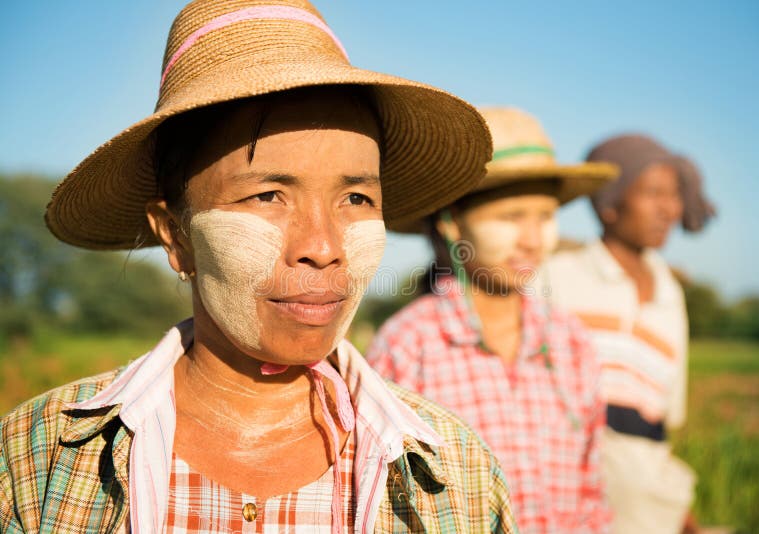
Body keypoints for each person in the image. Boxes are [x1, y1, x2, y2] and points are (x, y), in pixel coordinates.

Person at [0, 1, 519, 532]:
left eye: (358, 198)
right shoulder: (35, 460)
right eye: (268, 195)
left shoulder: (457, 474)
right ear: (175, 237)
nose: (323, 246)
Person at [367, 108, 619, 533]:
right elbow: (382, 502)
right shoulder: (408, 345)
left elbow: (590, 490)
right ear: (450, 222)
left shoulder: (570, 342)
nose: (533, 239)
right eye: (511, 217)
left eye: (545, 216)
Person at [544, 134, 715, 534]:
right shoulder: (557, 277)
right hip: (568, 493)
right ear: (608, 206)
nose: (669, 209)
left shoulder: (671, 295)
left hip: (644, 505)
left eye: (673, 195)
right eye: (652, 192)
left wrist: (676, 515)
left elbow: (662, 421)